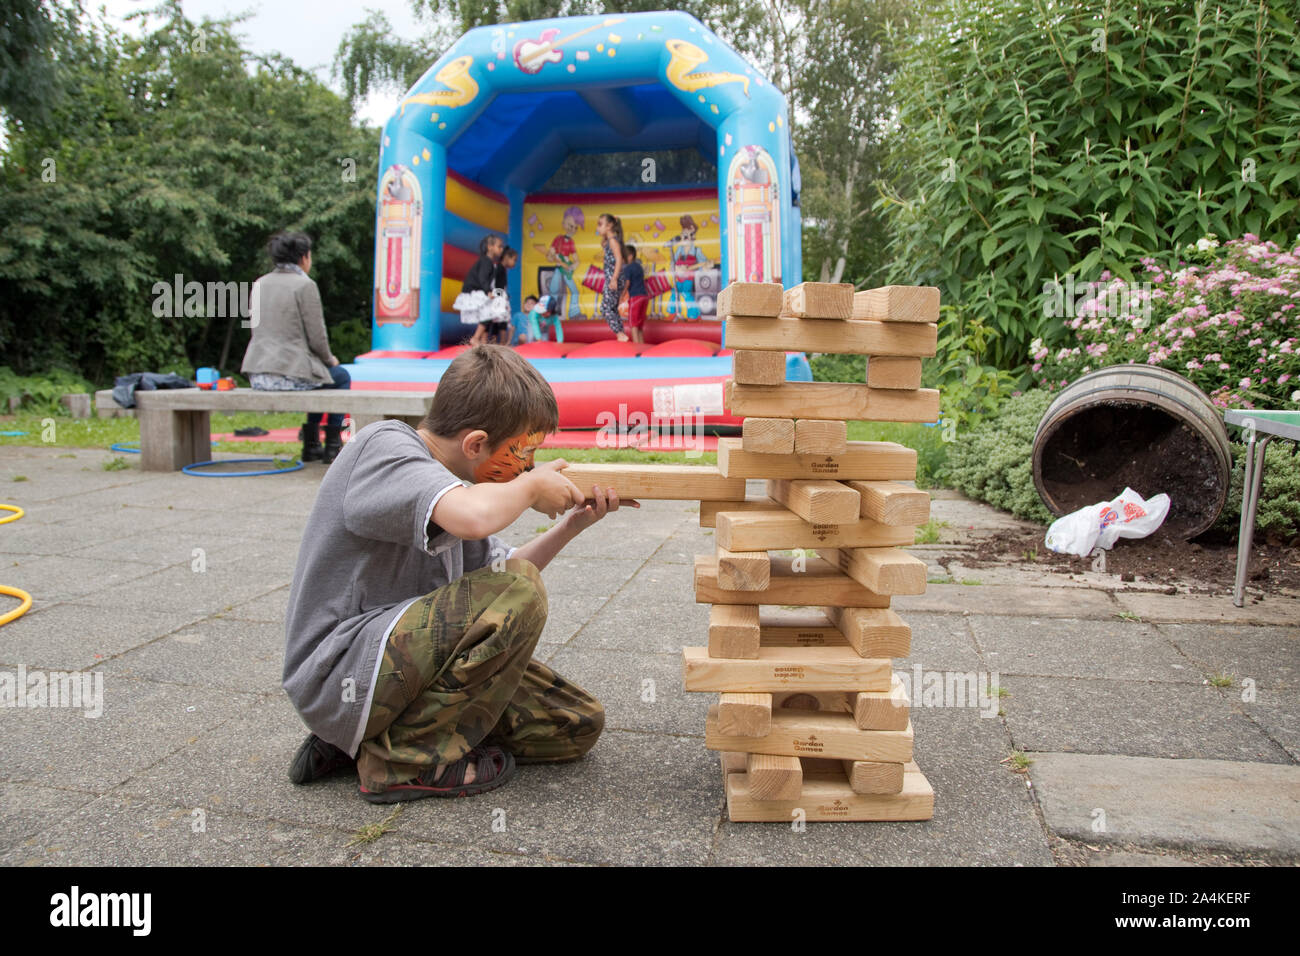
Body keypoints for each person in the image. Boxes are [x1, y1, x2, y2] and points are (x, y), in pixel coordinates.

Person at [283, 345, 638, 802]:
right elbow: (483, 534)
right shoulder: (384, 449)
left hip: (391, 677)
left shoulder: (462, 494)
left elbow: (505, 570)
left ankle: (364, 739)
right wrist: (529, 487)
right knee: (522, 590)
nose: (526, 467)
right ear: (474, 444)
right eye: (522, 454)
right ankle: (399, 762)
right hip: (339, 675)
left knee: (573, 723)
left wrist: (573, 525)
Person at [242, 231, 351, 464]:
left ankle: (311, 444)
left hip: (259, 375)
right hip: (290, 374)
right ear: (304, 257)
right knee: (339, 377)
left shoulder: (260, 283)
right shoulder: (304, 285)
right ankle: (333, 446)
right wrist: (330, 359)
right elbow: (317, 337)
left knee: (321, 377)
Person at [454, 234, 507, 346]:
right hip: (475, 290)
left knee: (488, 313)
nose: (501, 249)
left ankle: (483, 341)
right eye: (499, 246)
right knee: (489, 313)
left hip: (478, 290)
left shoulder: (490, 263)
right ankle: (475, 338)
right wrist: (488, 291)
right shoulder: (486, 262)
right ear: (490, 247)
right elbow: (483, 278)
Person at [596, 212, 626, 341]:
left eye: (600, 224)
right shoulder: (609, 240)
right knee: (612, 308)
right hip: (612, 278)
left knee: (605, 308)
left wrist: (614, 278)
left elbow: (619, 259)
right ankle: (621, 334)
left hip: (614, 278)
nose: (597, 228)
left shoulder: (613, 241)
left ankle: (620, 334)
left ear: (609, 226)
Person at [620, 243, 649, 345]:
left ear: (630, 256)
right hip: (644, 297)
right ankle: (642, 346)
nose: (622, 258)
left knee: (633, 325)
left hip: (635, 297)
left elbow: (627, 283)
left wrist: (622, 295)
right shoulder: (639, 267)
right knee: (639, 325)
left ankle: (636, 347)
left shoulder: (628, 268)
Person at [492, 246, 519, 344]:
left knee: (498, 320)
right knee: (501, 320)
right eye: (514, 260)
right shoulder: (500, 268)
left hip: (499, 296)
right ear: (507, 257)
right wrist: (501, 298)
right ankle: (502, 341)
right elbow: (497, 285)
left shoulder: (501, 268)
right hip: (498, 297)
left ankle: (496, 341)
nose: (515, 263)